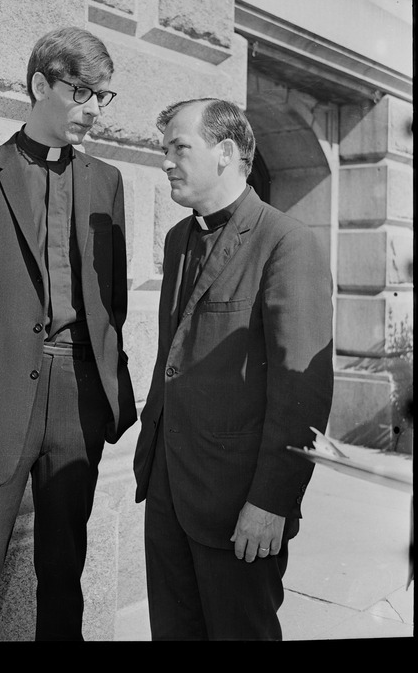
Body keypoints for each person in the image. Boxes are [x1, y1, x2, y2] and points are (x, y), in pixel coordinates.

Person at [0, 26, 136, 642]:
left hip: (80, 397)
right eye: (82, 92)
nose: (94, 109)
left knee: (65, 571)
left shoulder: (107, 182)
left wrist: (108, 397)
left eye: (104, 96)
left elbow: (111, 301)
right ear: (40, 84)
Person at [132, 98, 334, 640]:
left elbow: (303, 394)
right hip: (170, 489)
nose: (167, 162)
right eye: (164, 150)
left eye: (180, 148)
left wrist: (272, 501)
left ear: (225, 153)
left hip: (239, 504)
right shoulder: (178, 239)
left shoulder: (288, 243)